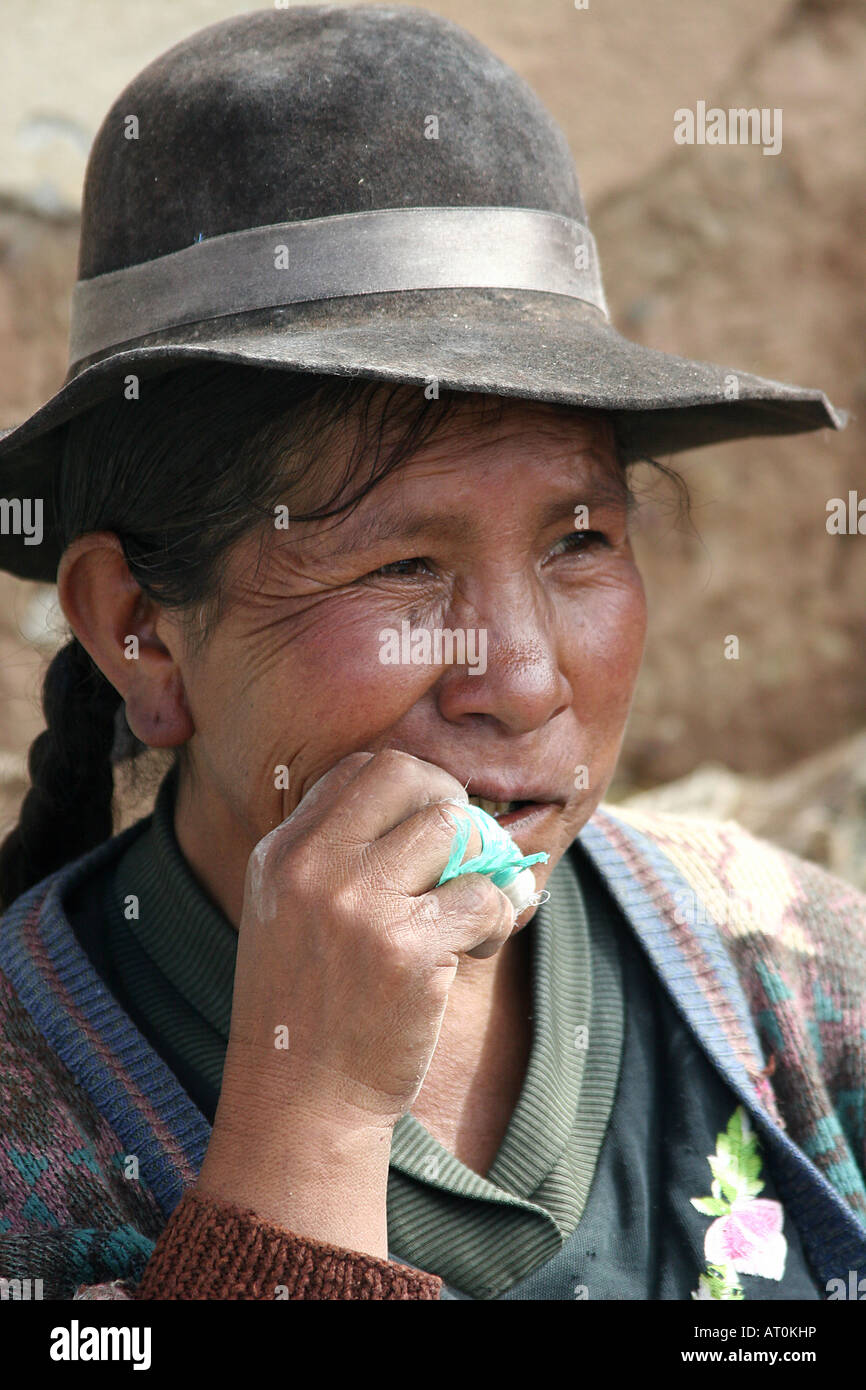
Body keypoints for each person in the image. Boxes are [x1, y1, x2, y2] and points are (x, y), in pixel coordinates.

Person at [0, 6, 863, 1302]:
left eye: (578, 541)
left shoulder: (789, 979)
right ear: (139, 629)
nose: (522, 680)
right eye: (404, 565)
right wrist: (315, 1115)